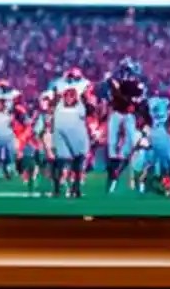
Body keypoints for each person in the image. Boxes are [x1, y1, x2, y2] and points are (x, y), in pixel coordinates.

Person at [99, 57, 147, 193]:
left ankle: (120, 158)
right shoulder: (117, 82)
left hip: (127, 114)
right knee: (112, 142)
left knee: (131, 141)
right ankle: (115, 160)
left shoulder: (134, 84)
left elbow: (135, 100)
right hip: (117, 112)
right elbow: (112, 96)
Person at [48, 67, 94, 198]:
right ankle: (57, 188)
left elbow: (90, 108)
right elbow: (52, 105)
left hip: (76, 129)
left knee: (77, 161)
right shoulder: (59, 88)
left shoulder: (84, 89)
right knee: (60, 161)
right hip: (63, 127)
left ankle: (76, 188)